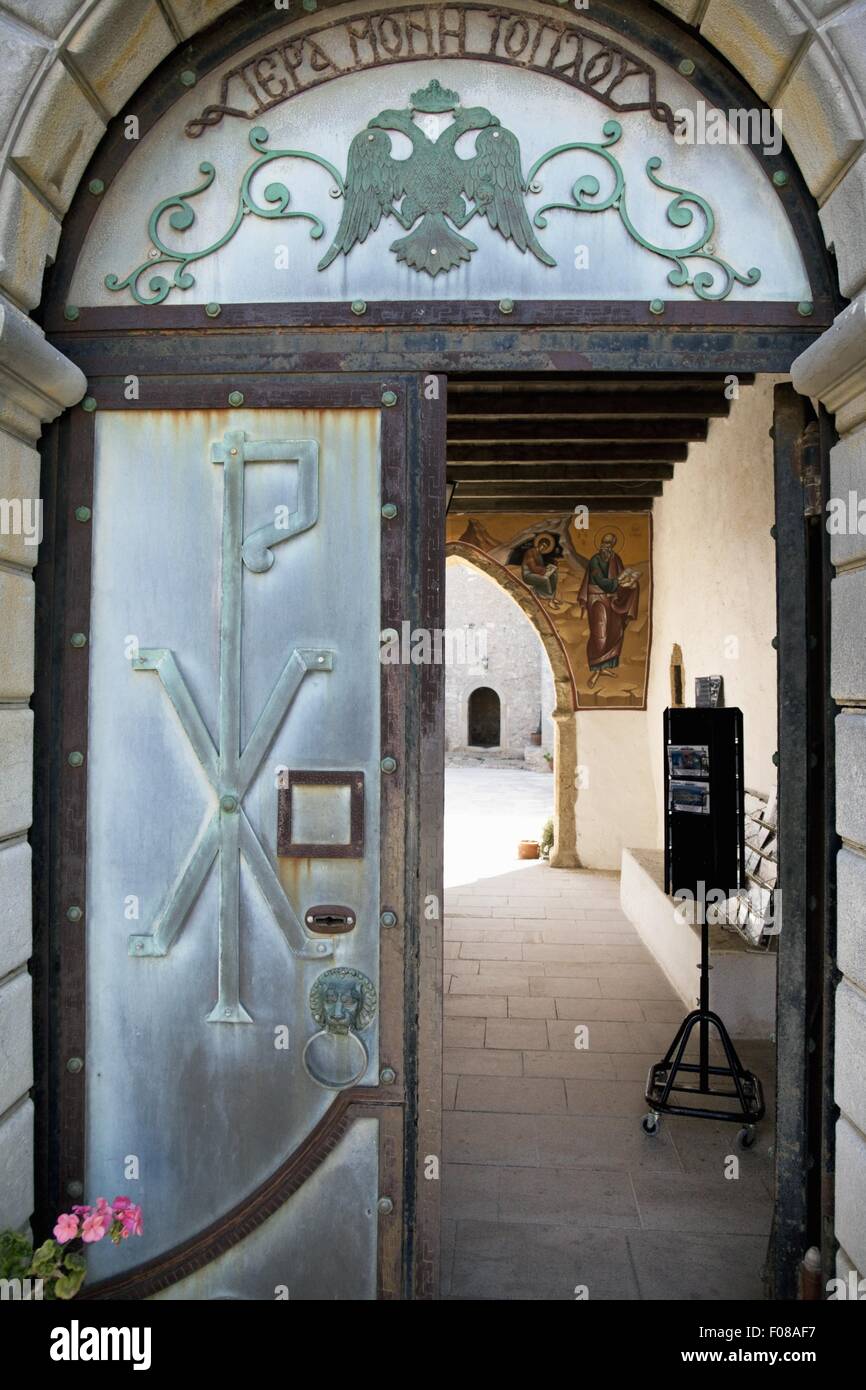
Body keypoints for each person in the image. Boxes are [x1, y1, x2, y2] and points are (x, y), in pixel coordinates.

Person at [577, 533, 640, 688]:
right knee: (600, 634)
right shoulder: (595, 561)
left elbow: (621, 575)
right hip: (597, 599)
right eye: (605, 543)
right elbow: (601, 581)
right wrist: (618, 581)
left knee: (615, 631)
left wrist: (629, 582)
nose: (607, 546)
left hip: (612, 599)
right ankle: (597, 670)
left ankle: (605, 668)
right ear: (600, 543)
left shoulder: (615, 558)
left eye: (610, 544)